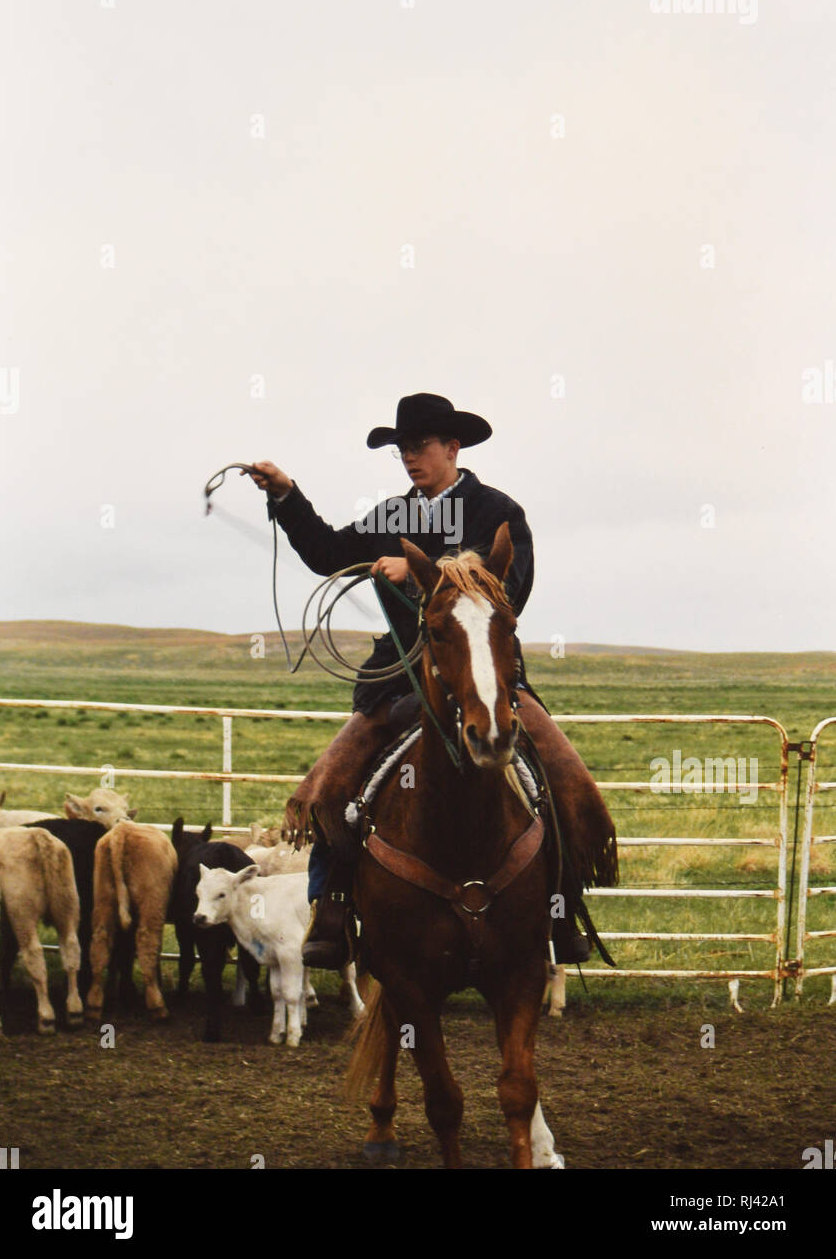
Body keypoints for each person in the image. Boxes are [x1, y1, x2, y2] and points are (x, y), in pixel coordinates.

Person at [246, 392, 617, 969]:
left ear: (453, 446)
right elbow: (326, 553)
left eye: (419, 447)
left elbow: (507, 589)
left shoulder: (498, 512)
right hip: (399, 678)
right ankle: (334, 906)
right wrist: (288, 496)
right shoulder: (391, 515)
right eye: (402, 451)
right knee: (331, 785)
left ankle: (561, 906)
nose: (410, 459)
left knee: (561, 777)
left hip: (481, 675)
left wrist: (422, 574)